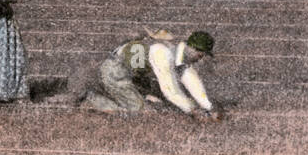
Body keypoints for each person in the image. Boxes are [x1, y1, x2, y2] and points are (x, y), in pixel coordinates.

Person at [77, 31, 220, 118]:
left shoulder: (179, 53)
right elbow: (170, 91)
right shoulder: (163, 53)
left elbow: (191, 80)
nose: (201, 59)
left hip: (135, 74)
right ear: (192, 49)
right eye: (201, 54)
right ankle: (91, 99)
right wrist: (193, 110)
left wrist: (208, 106)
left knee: (159, 104)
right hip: (115, 72)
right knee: (140, 112)